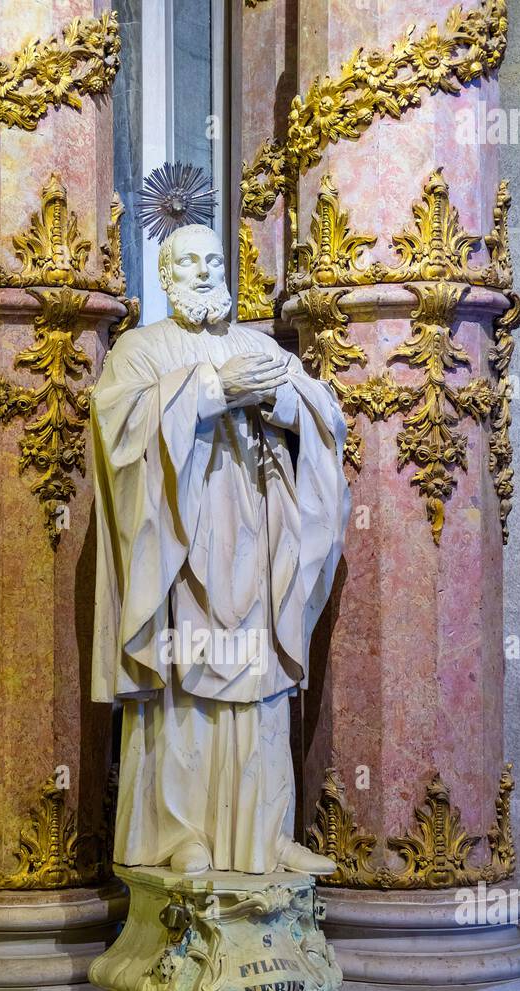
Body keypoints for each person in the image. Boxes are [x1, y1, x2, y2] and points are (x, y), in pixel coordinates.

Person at [91, 222, 350, 876]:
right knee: (187, 688)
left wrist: (281, 397)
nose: (204, 271)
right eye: (188, 262)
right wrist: (209, 392)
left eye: (213, 260)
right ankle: (181, 837)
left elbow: (326, 418)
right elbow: (119, 432)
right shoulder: (141, 351)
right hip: (182, 547)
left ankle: (267, 833)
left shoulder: (255, 344)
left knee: (260, 688)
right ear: (166, 276)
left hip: (259, 544)